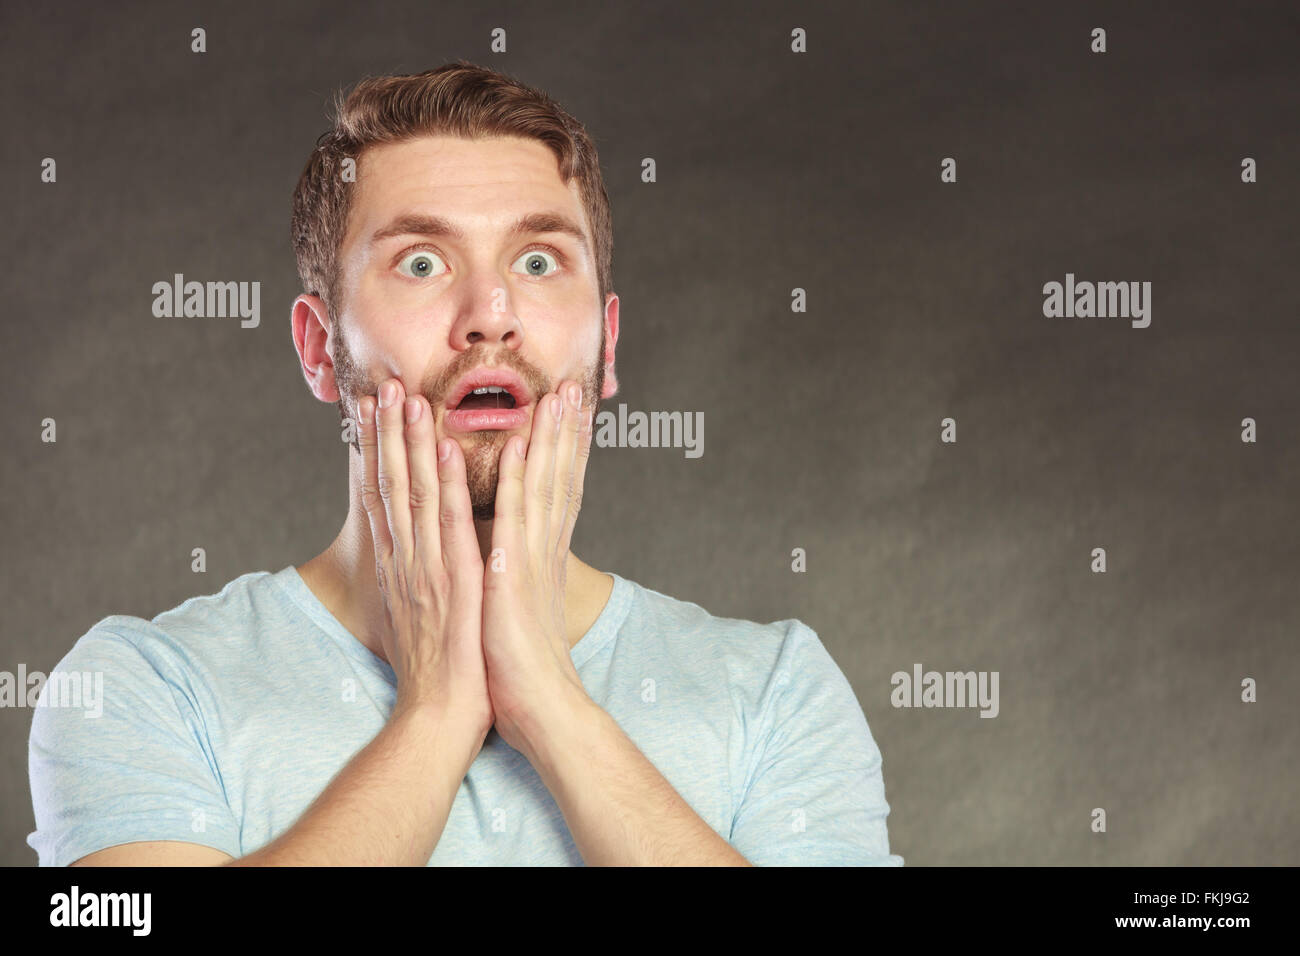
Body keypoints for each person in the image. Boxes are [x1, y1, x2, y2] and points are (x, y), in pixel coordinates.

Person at [27, 61, 903, 866]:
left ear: (607, 344)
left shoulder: (777, 691)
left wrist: (551, 703)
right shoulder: (139, 685)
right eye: (420, 262)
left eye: (537, 260)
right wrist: (437, 715)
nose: (491, 313)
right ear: (320, 348)